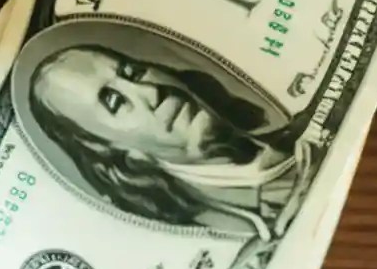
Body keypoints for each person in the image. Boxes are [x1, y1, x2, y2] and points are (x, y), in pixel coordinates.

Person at [25, 44, 313, 238]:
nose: (150, 92)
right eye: (113, 101)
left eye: (132, 72)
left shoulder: (304, 130)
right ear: (125, 155)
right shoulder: (218, 229)